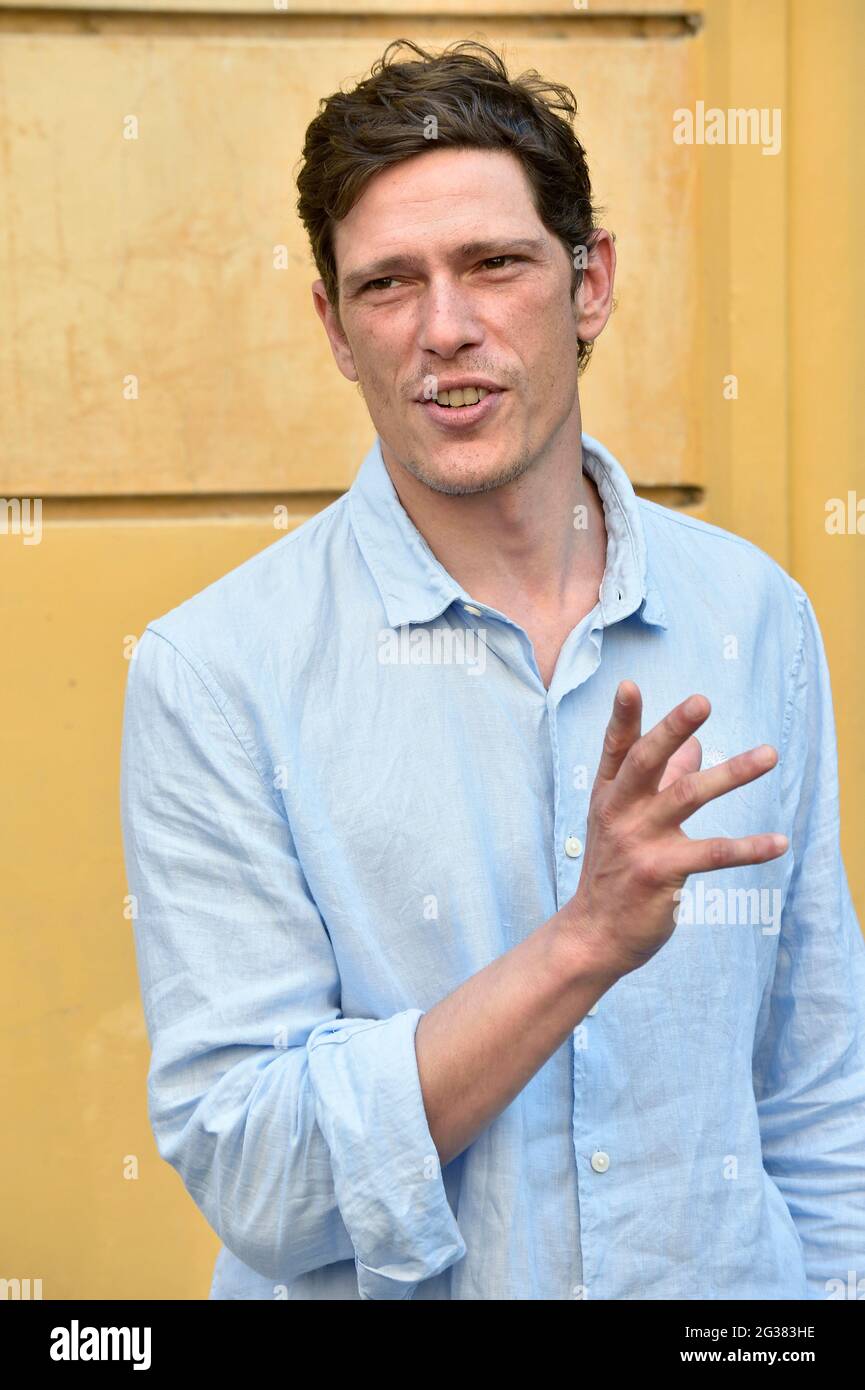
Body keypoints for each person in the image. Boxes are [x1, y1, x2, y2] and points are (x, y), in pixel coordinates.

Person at [120, 39, 865, 1300]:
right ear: (334, 327)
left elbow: (815, 1087)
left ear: (589, 284)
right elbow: (255, 1174)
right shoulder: (215, 671)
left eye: (495, 265)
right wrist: (580, 943)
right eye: (387, 285)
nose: (444, 329)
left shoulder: (751, 613)